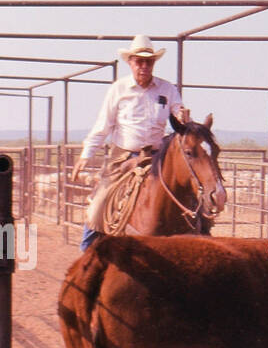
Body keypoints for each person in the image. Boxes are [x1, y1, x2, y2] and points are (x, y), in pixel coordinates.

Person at [74, 35, 187, 250]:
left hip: (157, 157)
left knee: (187, 194)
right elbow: (103, 125)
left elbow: (178, 111)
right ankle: (87, 253)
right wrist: (86, 155)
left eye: (149, 61)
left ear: (154, 63)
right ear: (130, 62)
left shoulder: (167, 89)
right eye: (139, 61)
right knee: (99, 202)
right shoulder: (119, 89)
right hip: (124, 157)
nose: (144, 66)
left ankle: (199, 233)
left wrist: (183, 117)